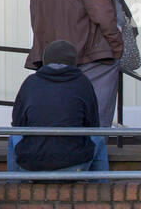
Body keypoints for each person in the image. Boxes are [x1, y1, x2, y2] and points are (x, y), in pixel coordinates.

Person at [28, 0, 123, 130]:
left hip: (50, 60)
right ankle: (95, 156)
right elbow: (105, 15)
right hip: (88, 57)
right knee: (96, 120)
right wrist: (116, 48)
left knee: (63, 115)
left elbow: (36, 20)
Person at [8, 40, 105, 173]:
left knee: (13, 136)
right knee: (99, 137)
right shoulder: (83, 83)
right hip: (74, 166)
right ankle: (100, 189)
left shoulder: (30, 83)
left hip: (31, 165)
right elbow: (93, 125)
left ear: (45, 61)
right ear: (73, 62)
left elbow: (17, 124)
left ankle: (12, 187)